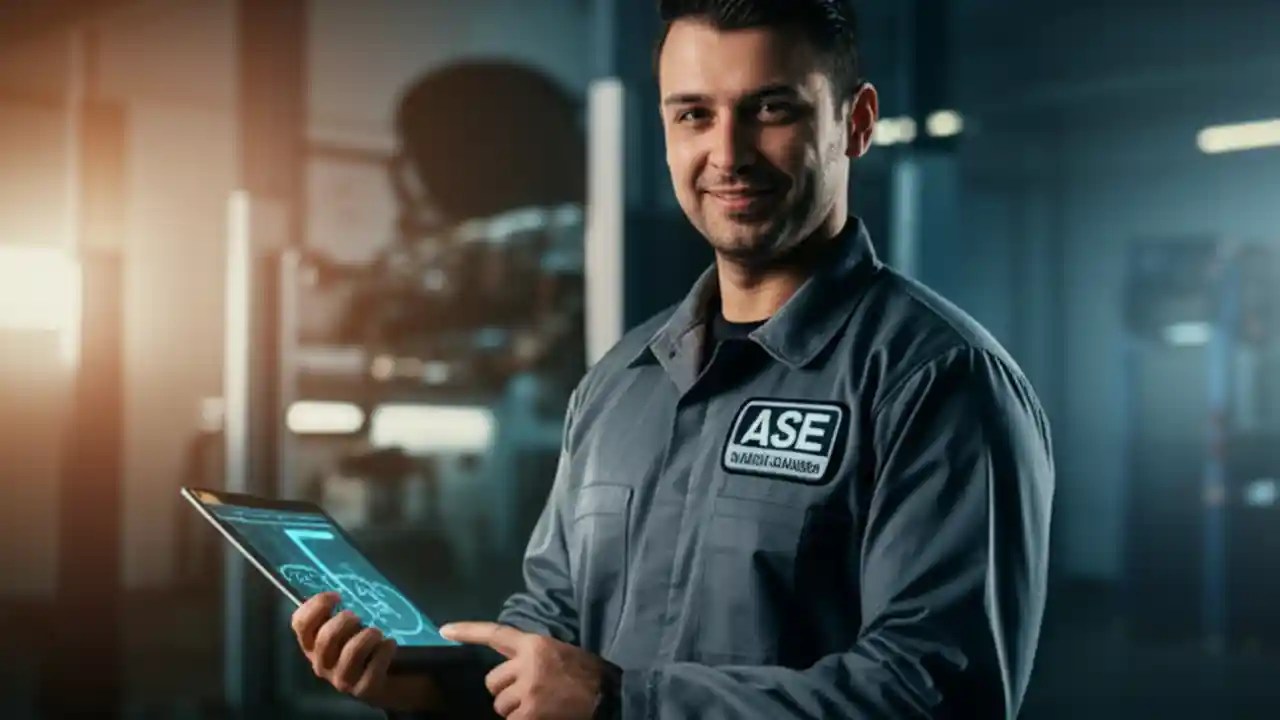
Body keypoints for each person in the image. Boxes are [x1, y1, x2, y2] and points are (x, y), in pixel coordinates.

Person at [290, 0, 1055, 717]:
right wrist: (429, 687)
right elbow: (551, 628)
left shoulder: (936, 382)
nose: (728, 153)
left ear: (854, 125)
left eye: (772, 109)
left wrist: (624, 704)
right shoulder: (621, 382)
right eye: (694, 114)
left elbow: (934, 692)